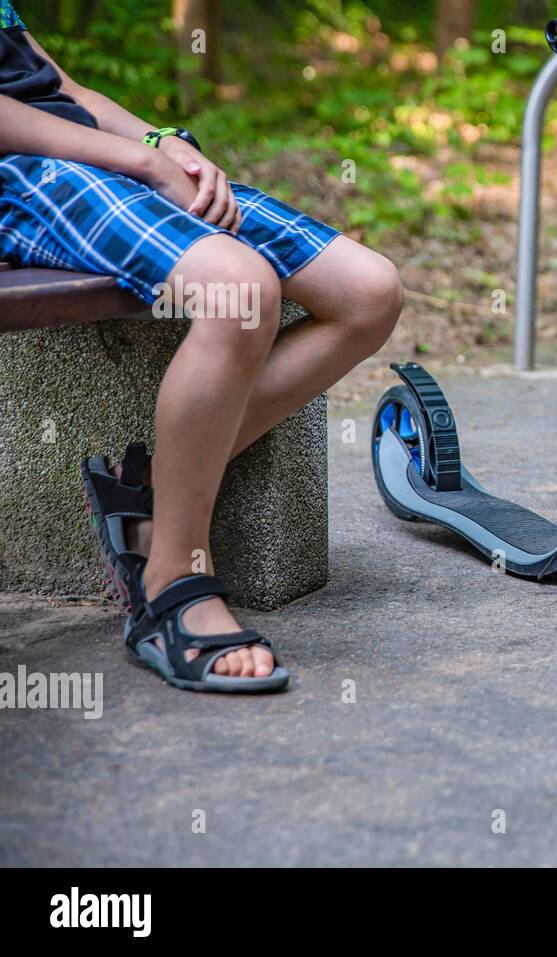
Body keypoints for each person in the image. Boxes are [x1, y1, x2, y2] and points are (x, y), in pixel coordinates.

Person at [0, 1, 404, 692]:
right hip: (22, 174)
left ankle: (149, 493)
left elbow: (58, 88)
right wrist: (141, 161)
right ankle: (170, 584)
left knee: (369, 292)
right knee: (239, 288)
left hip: (87, 163)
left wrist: (165, 144)